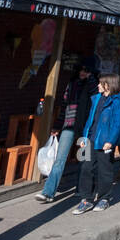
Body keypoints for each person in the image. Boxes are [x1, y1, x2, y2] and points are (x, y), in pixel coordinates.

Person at [35, 61, 95, 203]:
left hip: (85, 127)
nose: (82, 72)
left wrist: (91, 78)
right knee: (59, 158)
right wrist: (56, 126)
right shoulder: (71, 85)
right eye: (81, 69)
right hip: (68, 124)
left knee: (83, 159)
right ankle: (48, 192)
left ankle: (81, 189)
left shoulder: (93, 85)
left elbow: (94, 97)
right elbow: (64, 106)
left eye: (86, 70)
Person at [73, 74, 120, 213]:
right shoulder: (96, 99)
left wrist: (111, 141)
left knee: (104, 171)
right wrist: (84, 137)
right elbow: (90, 120)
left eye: (101, 83)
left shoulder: (116, 102)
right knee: (86, 168)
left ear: (108, 85)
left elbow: (117, 124)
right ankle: (86, 199)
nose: (98, 86)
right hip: (91, 138)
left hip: (104, 141)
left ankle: (104, 198)